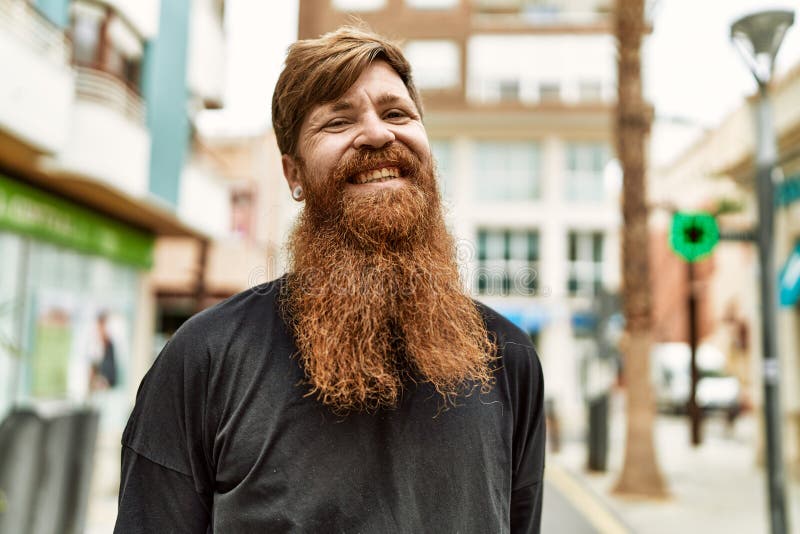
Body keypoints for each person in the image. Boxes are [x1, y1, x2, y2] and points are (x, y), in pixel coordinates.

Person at [115, 27, 545, 533]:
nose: (379, 134)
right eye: (338, 120)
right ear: (293, 174)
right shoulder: (205, 361)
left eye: (397, 113)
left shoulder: (508, 360)